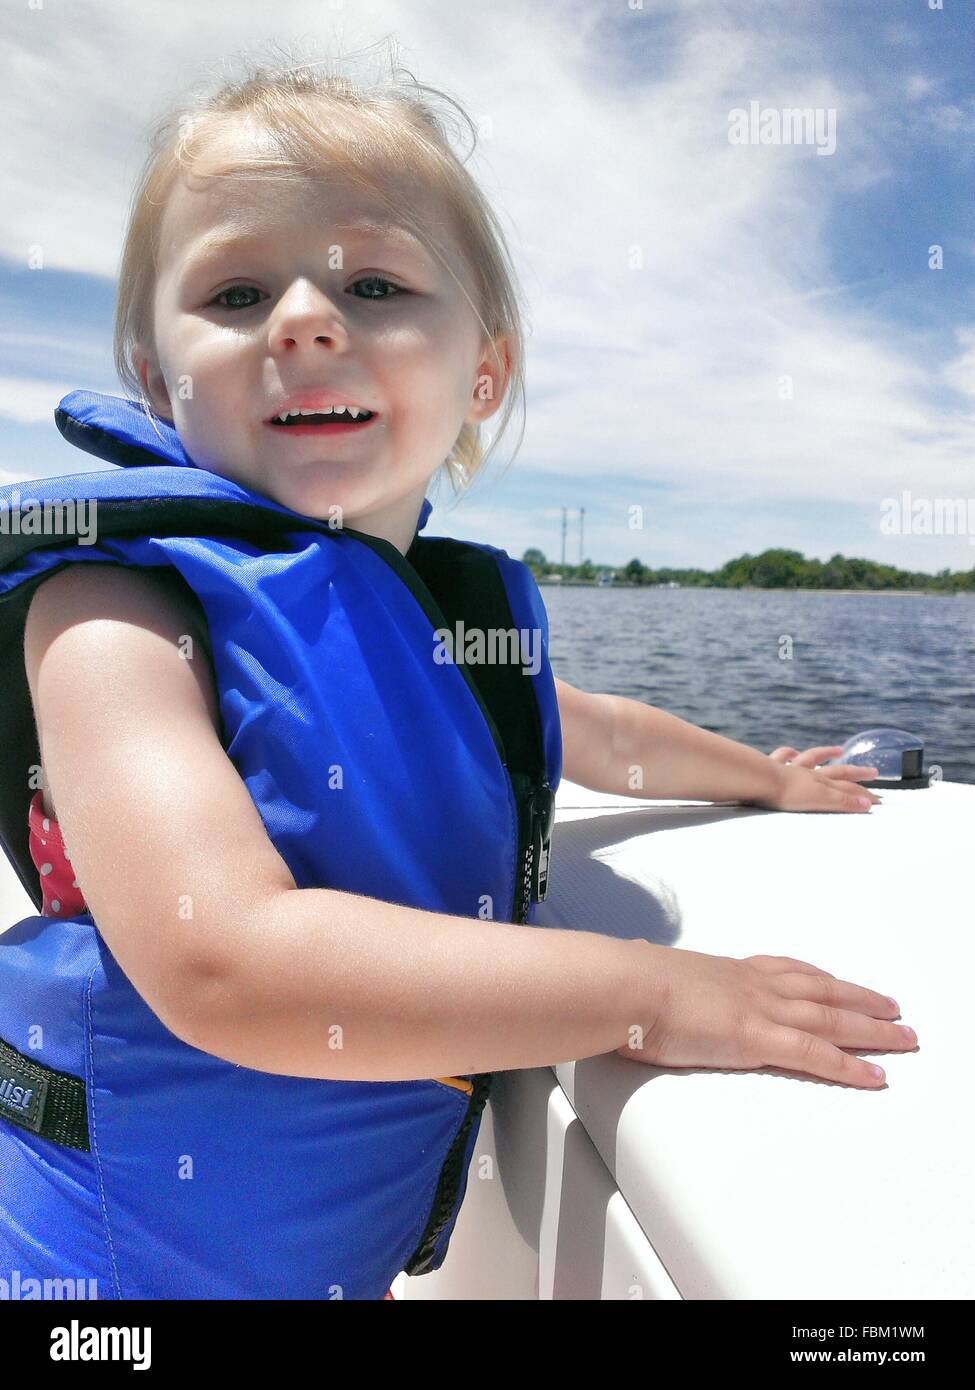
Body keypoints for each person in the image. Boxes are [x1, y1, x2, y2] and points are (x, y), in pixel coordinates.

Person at [0, 49, 916, 1302]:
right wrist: (651, 994)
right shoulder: (110, 610)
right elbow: (226, 962)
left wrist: (771, 777)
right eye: (235, 291)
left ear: (481, 374)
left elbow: (590, 732)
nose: (305, 319)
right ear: (159, 382)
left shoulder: (450, 625)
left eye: (374, 282)